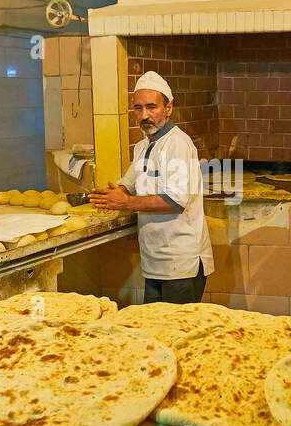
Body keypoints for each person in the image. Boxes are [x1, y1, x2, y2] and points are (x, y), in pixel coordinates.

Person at [90, 70, 214, 303]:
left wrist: (126, 203)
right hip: (156, 261)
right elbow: (129, 183)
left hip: (180, 263)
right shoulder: (143, 146)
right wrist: (116, 194)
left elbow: (175, 200)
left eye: (151, 107)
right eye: (138, 108)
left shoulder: (177, 144)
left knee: (177, 334)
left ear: (168, 109)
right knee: (157, 333)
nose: (144, 115)